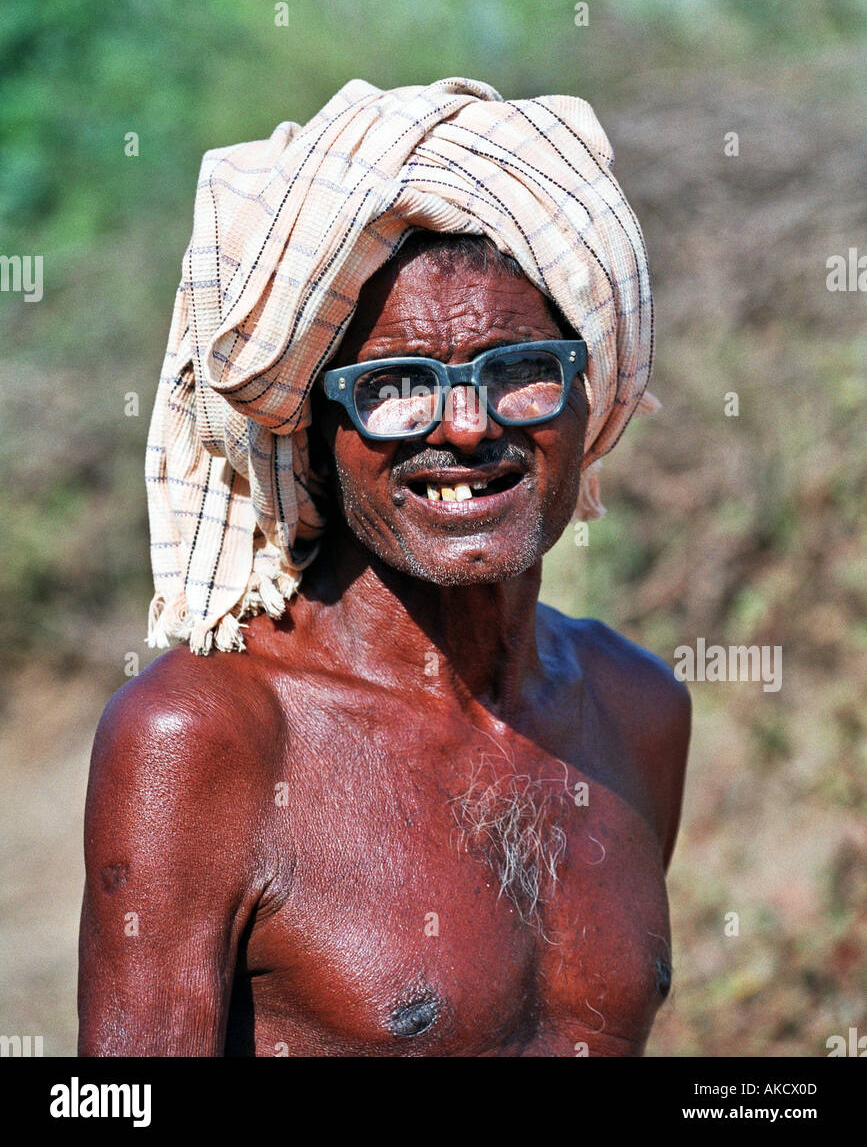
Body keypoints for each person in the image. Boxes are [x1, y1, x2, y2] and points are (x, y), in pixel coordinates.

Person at [78, 77, 690, 1056]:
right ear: (317, 435)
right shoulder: (206, 735)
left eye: (520, 369)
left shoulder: (639, 707)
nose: (466, 425)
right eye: (395, 387)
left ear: (595, 394)